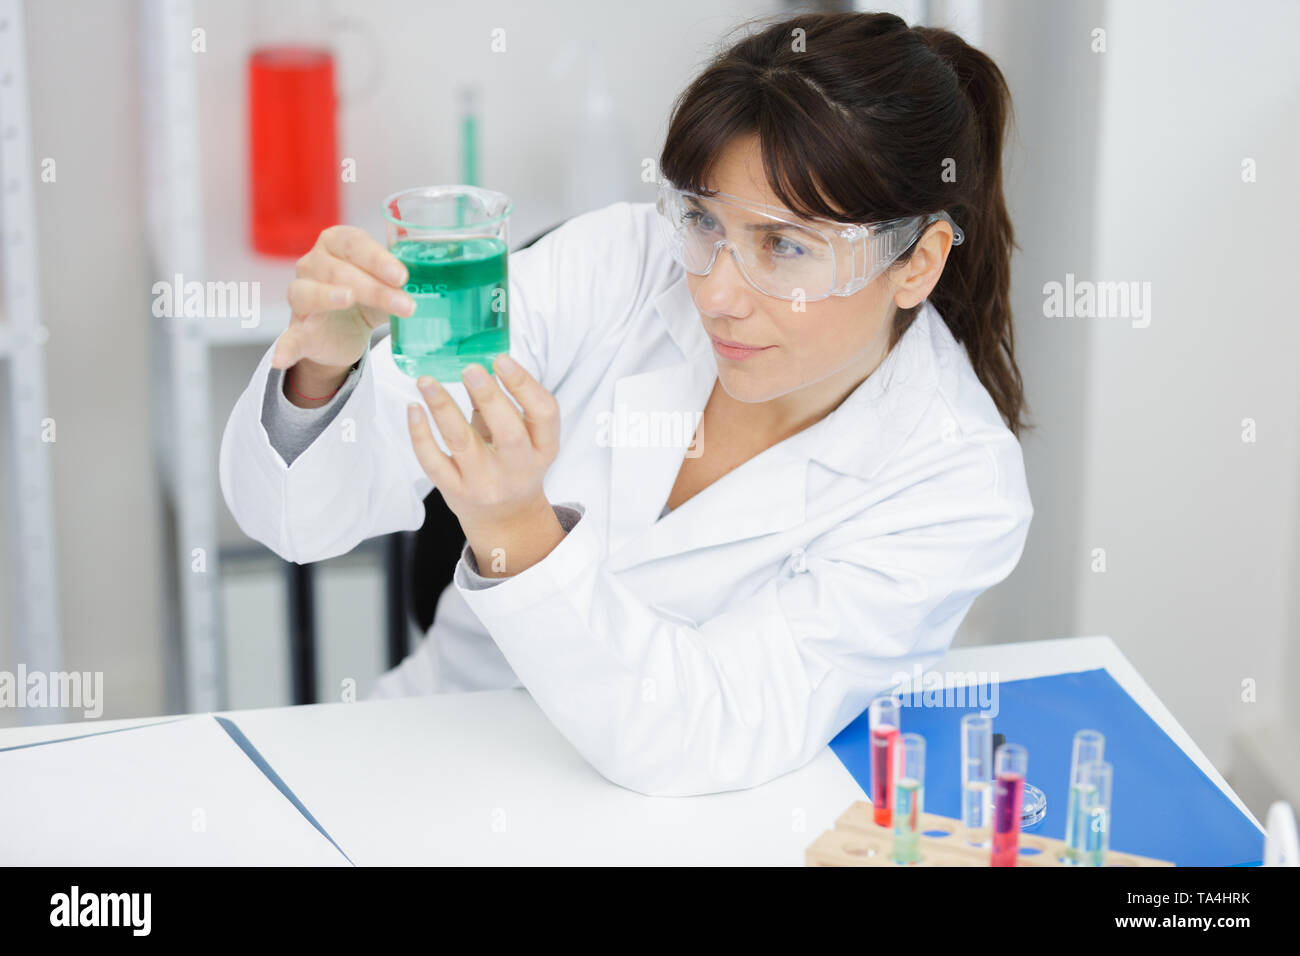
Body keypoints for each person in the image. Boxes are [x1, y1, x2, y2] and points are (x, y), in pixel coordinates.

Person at [220, 12, 1033, 796]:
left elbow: (703, 731)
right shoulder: (618, 264)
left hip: (663, 824)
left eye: (784, 246)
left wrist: (516, 530)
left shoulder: (955, 483)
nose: (715, 291)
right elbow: (300, 517)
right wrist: (322, 366)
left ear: (918, 263)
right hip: (434, 742)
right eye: (705, 221)